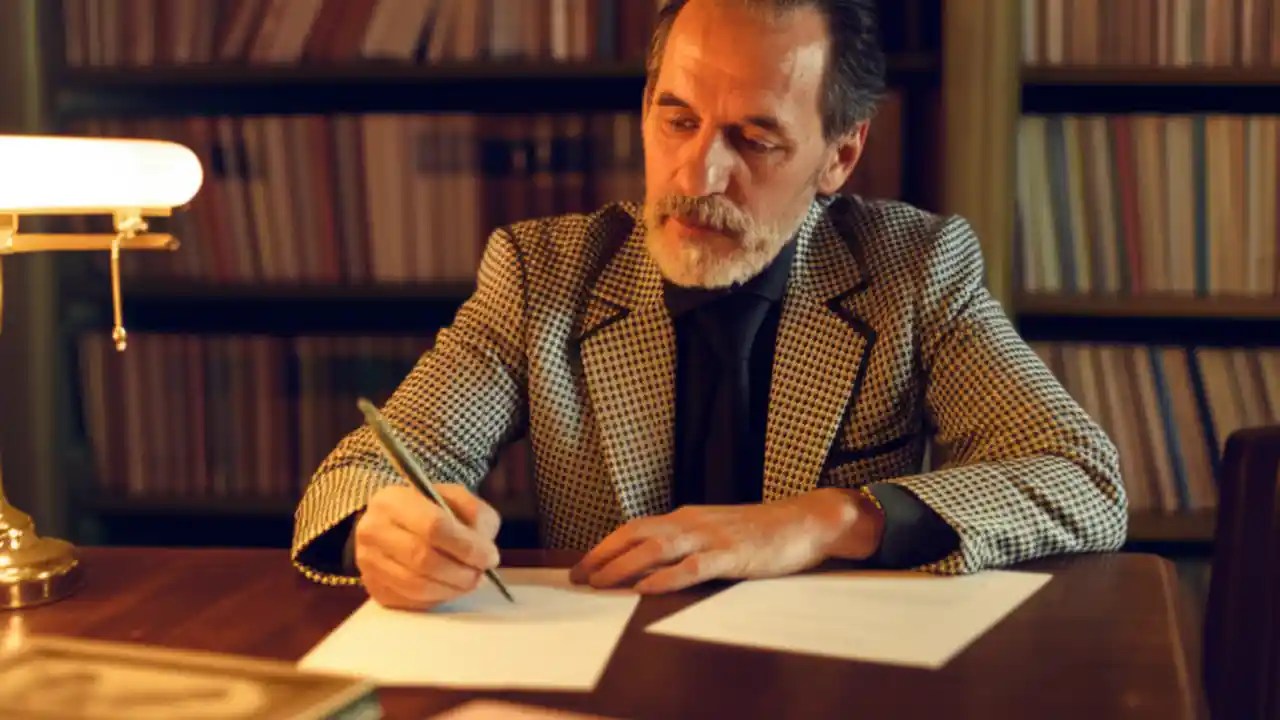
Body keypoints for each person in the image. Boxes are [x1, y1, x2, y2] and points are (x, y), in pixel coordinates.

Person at [291, 0, 1127, 610]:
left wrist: (818, 523)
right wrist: (386, 527)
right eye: (677, 120)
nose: (698, 178)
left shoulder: (916, 271)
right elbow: (359, 473)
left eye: (754, 140)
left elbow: (1083, 479)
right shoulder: (541, 273)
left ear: (839, 155)